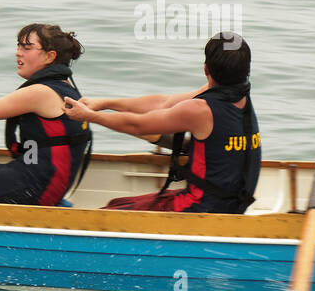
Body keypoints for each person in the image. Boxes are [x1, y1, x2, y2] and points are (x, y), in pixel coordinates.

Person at [63, 32, 261, 213]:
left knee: (112, 212)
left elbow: (138, 125)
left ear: (206, 69)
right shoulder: (241, 94)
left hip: (201, 207)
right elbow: (163, 103)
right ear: (245, 70)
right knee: (119, 204)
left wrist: (89, 116)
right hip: (233, 204)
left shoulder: (200, 110)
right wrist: (105, 103)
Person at [0, 24, 92, 206]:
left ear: (50, 56)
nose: (18, 53)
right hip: (37, 178)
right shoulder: (65, 86)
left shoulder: (40, 92)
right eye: (18, 46)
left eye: (26, 48)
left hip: (36, 185)